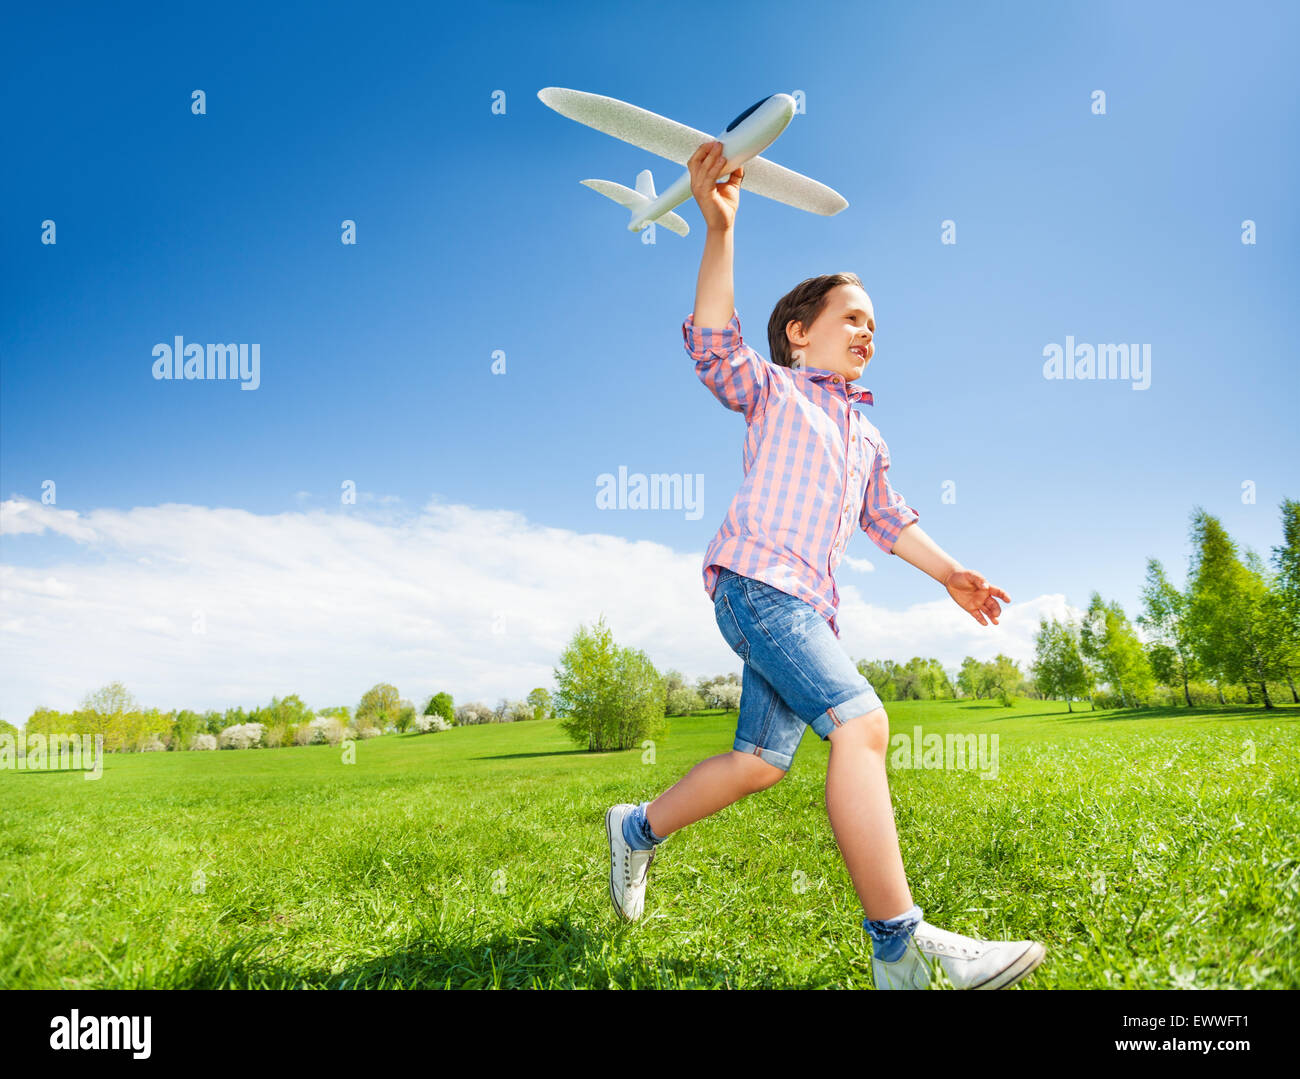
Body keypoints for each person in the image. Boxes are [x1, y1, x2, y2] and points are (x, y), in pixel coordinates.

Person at [605, 140, 1046, 990]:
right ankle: (901, 949)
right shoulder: (775, 390)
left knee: (761, 764)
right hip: (757, 585)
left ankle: (636, 830)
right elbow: (712, 346)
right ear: (799, 335)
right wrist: (720, 229)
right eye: (851, 317)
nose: (867, 330)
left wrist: (952, 573)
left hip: (804, 604)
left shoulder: (867, 435)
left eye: (874, 324)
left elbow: (888, 517)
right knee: (862, 722)